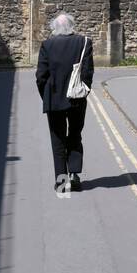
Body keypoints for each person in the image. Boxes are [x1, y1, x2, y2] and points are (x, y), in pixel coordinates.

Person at [35, 13, 94, 194]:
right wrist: (83, 91)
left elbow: (40, 76)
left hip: (54, 99)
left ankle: (62, 183)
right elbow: (87, 72)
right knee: (75, 134)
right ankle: (75, 176)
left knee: (58, 140)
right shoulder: (84, 42)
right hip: (77, 99)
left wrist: (46, 96)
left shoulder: (47, 45)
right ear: (72, 26)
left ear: (54, 27)